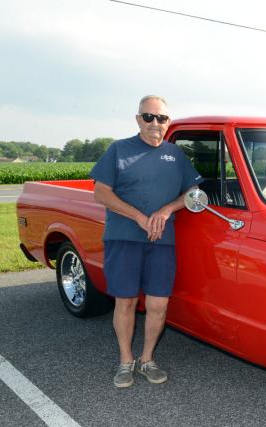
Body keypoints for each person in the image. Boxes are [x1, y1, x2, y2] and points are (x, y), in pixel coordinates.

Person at [90, 95, 202, 388]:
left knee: (158, 305)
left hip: (162, 241)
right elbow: (101, 193)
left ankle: (147, 359)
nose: (155, 123)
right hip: (124, 238)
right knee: (125, 301)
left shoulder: (176, 156)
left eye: (161, 118)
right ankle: (125, 361)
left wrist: (166, 210)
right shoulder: (119, 150)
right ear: (138, 119)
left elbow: (192, 194)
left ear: (168, 121)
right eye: (148, 117)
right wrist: (139, 217)